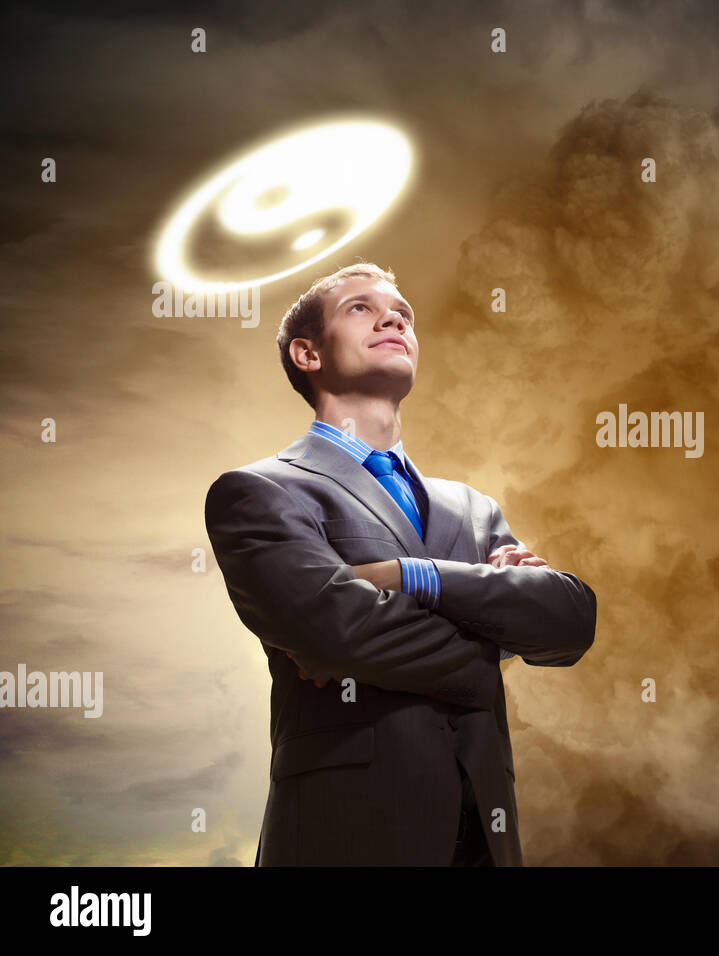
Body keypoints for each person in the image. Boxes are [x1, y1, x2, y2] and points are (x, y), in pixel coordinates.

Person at [204, 261, 596, 865]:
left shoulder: (471, 507)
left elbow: (569, 624)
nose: (393, 317)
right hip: (344, 837)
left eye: (403, 313)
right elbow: (339, 637)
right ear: (308, 354)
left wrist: (416, 575)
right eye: (359, 307)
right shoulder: (259, 491)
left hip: (487, 841)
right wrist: (497, 624)